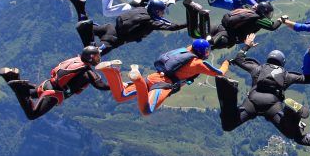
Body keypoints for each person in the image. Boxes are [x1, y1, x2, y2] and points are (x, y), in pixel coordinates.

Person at [216, 34, 310, 139]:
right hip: (272, 105)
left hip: (253, 101)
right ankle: (291, 112)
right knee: (291, 133)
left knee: (228, 125)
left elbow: (239, 59)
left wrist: (247, 46)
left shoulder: (258, 69)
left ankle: (229, 90)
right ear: (282, 62)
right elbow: (308, 79)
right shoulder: (287, 76)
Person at [96, 39, 229, 116]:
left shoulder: (186, 51)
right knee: (146, 110)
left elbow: (196, 45)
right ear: (202, 52)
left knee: (121, 96)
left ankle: (111, 70)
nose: (208, 53)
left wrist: (208, 41)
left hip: (154, 76)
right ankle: (138, 79)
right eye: (207, 51)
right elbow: (220, 72)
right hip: (163, 85)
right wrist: (227, 62)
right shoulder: (198, 64)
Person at [0, 46, 109, 120]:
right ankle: (16, 81)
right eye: (96, 57)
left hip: (47, 84)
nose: (98, 59)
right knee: (32, 114)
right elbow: (101, 86)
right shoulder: (88, 73)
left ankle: (11, 77)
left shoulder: (77, 60)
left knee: (25, 94)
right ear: (90, 58)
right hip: (54, 95)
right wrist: (115, 85)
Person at [72, 0, 187, 55]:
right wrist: (189, 23)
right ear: (156, 11)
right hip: (113, 39)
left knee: (85, 27)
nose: (162, 14)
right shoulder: (150, 22)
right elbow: (172, 27)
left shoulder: (142, 9)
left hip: (109, 27)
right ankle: (90, 41)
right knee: (93, 55)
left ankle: (80, 7)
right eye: (161, 12)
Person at [185, 1, 282, 50]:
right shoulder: (258, 19)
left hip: (220, 26)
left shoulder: (249, 10)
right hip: (228, 36)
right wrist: (281, 20)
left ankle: (192, 11)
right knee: (208, 45)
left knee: (194, 33)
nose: (269, 16)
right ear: (264, 12)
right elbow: (273, 27)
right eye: (268, 13)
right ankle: (204, 16)